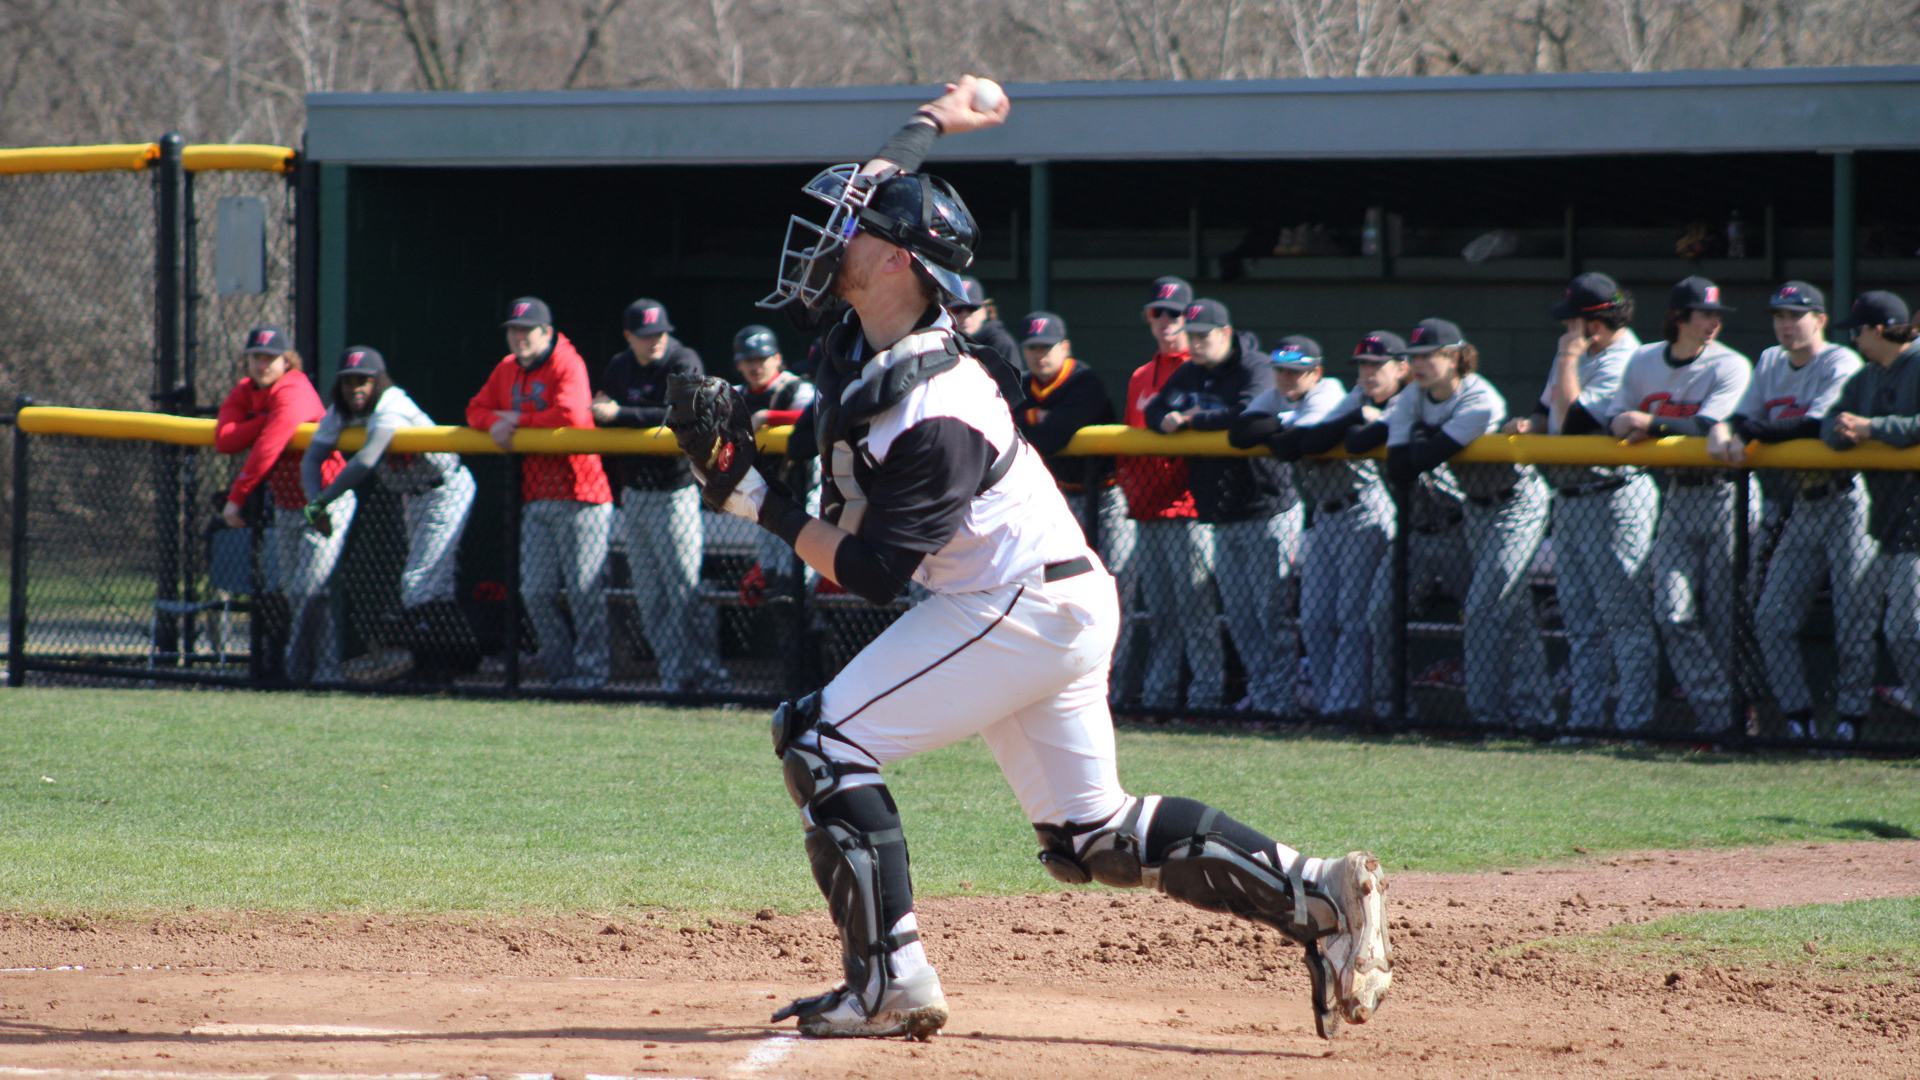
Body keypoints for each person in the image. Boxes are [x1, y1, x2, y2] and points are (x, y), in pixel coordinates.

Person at [683, 77, 1390, 1043]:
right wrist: (935, 120)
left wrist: (751, 500)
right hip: (1043, 599)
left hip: (1009, 605)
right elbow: (888, 179)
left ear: (893, 260)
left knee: (821, 740)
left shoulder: (939, 408)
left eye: (846, 232)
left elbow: (876, 576)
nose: (820, 242)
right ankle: (1320, 895)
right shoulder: (873, 321)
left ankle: (892, 982)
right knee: (1090, 839)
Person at [1708, 282, 1866, 740]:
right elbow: (1744, 416)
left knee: (1852, 616)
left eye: (1794, 316)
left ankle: (1852, 721)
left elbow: (1815, 425)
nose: (1784, 325)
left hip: (1848, 500)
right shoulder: (1771, 361)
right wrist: (1724, 428)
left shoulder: (1840, 361)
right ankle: (1799, 718)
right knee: (1771, 616)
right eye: (1778, 316)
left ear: (1819, 319)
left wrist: (1749, 431)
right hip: (1803, 505)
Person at [1505, 273, 1658, 734]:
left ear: (1593, 323)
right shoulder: (1574, 354)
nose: (1564, 329)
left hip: (1612, 496)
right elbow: (1544, 412)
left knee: (1625, 621)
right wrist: (1530, 424)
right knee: (1581, 624)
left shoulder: (1628, 357)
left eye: (1571, 320)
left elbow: (1572, 422)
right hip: (1569, 500)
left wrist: (1567, 358)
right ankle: (1585, 724)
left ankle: (1633, 726)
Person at [1386, 319, 1551, 728]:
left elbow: (1424, 458)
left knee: (1483, 607)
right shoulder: (1413, 396)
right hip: (1476, 507)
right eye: (1414, 357)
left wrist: (1420, 438)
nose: (1419, 364)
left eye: (1429, 356)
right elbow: (1398, 468)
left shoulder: (1481, 398)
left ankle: (1487, 716)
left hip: (1516, 501)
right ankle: (1534, 715)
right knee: (1510, 612)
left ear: (1455, 357)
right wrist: (1418, 441)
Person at [1609, 277, 1753, 733]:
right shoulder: (1644, 359)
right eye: (1704, 314)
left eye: (1716, 315)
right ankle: (1720, 716)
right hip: (1678, 496)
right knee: (1672, 612)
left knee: (1724, 619)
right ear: (1679, 318)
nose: (1713, 322)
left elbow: (1708, 426)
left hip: (1727, 494)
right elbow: (1615, 419)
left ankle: (1736, 716)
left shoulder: (1730, 363)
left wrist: (1648, 422)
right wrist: (1635, 424)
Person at [1145, 300, 1296, 715]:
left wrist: (1192, 420)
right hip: (1221, 513)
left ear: (1226, 334)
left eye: (1203, 336)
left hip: (1268, 508)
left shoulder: (1256, 366)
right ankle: (1267, 700)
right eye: (1191, 337)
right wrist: (1174, 418)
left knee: (1272, 616)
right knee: (1243, 619)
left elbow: (1246, 416)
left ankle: (1281, 704)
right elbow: (1155, 410)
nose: (1195, 344)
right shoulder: (1191, 370)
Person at [301, 346, 479, 683]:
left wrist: (321, 501)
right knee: (432, 586)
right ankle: (451, 665)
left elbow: (366, 461)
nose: (355, 389)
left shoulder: (390, 404)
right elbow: (311, 458)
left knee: (418, 583)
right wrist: (314, 504)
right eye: (348, 382)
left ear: (377, 382)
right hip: (413, 496)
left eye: (363, 381)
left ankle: (436, 666)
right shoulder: (341, 411)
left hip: (445, 488)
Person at [466, 296, 613, 691]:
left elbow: (573, 415)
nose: (518, 337)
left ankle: (593, 673)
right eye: (514, 330)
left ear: (546, 333)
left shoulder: (567, 362)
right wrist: (496, 421)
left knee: (584, 591)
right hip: (536, 495)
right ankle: (562, 672)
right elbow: (474, 410)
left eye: (527, 330)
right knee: (535, 591)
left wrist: (515, 420)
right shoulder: (506, 369)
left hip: (582, 494)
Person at [592, 299, 731, 695]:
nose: (653, 341)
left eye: (658, 334)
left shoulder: (683, 359)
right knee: (650, 596)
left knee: (684, 590)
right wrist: (616, 412)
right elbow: (603, 410)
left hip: (676, 494)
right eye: (645, 335)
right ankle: (675, 678)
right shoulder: (620, 367)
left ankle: (710, 677)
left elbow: (680, 415)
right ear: (629, 337)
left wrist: (619, 413)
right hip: (635, 494)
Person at [1231, 336, 1361, 716]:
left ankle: (1358, 707)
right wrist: (1284, 424)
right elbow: (1239, 433)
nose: (1286, 378)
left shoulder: (1329, 393)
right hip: (1323, 512)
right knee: (1317, 618)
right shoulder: (1277, 396)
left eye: (1296, 371)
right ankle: (1327, 706)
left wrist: (1275, 430)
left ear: (1315, 373)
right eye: (1281, 370)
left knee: (1356, 617)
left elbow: (1294, 446)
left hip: (1363, 507)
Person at [1341, 334, 1469, 721]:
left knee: (1489, 616)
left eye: (1376, 366)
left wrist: (1376, 424)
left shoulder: (1417, 399)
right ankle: (1391, 709)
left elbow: (1374, 433)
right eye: (1362, 365)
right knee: (1381, 613)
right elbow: (1342, 434)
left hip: (1458, 525)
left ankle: (1503, 712)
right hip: (1411, 532)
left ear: (1401, 370)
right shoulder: (1359, 400)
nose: (1367, 373)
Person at [214, 327, 348, 684]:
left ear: (286, 360)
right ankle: (316, 671)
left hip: (326, 500)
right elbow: (224, 440)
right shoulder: (247, 392)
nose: (262, 364)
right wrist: (262, 420)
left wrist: (236, 498)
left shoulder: (295, 388)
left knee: (309, 589)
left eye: (270, 357)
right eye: (256, 356)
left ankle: (318, 671)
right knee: (297, 593)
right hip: (289, 504)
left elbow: (270, 445)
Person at [1116, 276, 1223, 711]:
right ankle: (1159, 698)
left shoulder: (1198, 370)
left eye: (1174, 313)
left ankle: (1206, 698)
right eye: (1156, 313)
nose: (1164, 321)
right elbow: (1126, 442)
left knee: (1196, 613)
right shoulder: (1142, 375)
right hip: (1146, 509)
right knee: (1161, 616)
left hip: (1189, 508)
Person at [1824, 291, 1920, 737]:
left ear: (1877, 329)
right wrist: (1846, 432)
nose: (1853, 338)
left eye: (1857, 329)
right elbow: (1830, 425)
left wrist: (1872, 428)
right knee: (1898, 626)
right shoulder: (1864, 378)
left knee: (1905, 628)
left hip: (1916, 518)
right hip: (1889, 520)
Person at [1012, 311, 1124, 556]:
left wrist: (1026, 422)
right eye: (1032, 348)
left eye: (1046, 347)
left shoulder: (1085, 382)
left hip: (1107, 495)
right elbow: (1002, 426)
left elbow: (1049, 440)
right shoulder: (1021, 385)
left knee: (1115, 574)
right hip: (1059, 497)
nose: (1039, 354)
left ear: (1065, 348)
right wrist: (1032, 417)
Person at [733, 323, 819, 597]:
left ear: (777, 359)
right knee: (771, 582)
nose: (755, 366)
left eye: (762, 358)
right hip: (765, 498)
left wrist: (767, 417)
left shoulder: (795, 388)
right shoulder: (736, 394)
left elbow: (814, 414)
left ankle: (817, 632)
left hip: (805, 495)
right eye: (749, 360)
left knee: (799, 581)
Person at [950, 276, 1019, 375]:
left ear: (984, 311)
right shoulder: (941, 340)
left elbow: (1011, 387)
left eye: (972, 309)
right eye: (957, 309)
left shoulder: (1000, 342)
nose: (965, 315)